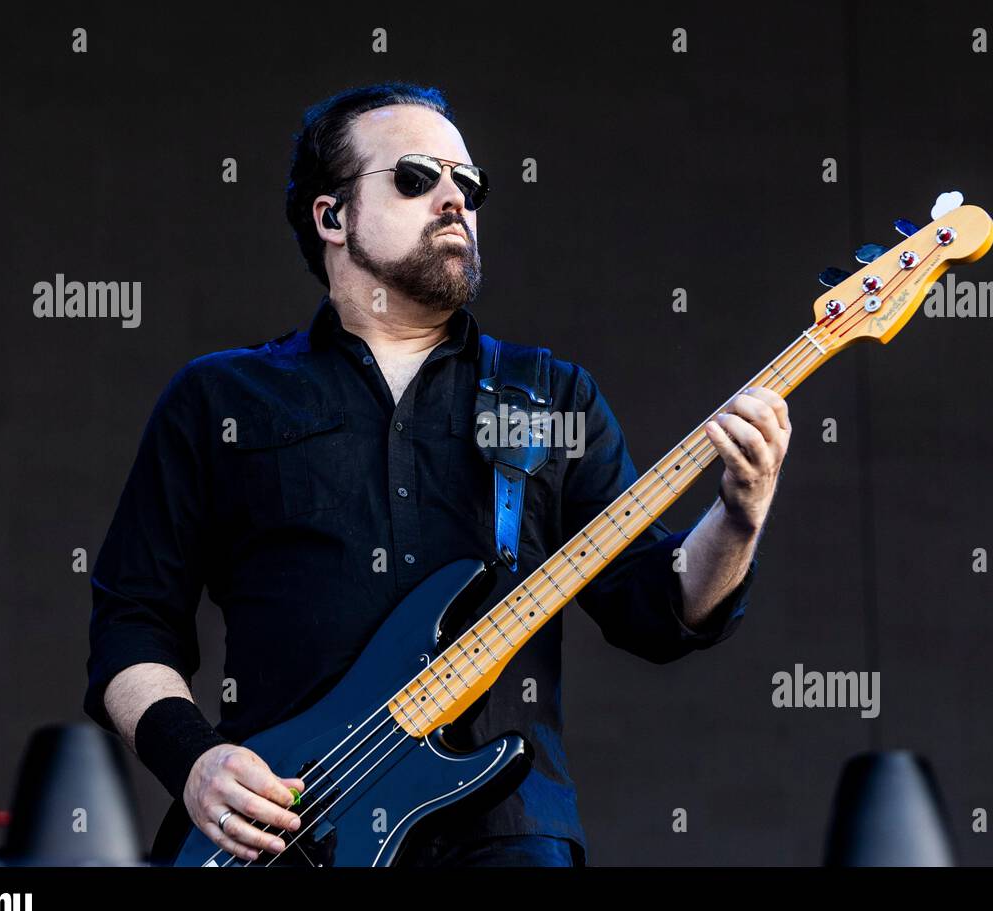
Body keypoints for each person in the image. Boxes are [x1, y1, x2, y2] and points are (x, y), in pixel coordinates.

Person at [83, 82, 790, 867]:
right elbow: (130, 626)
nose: (455, 197)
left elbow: (656, 609)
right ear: (332, 217)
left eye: (469, 182)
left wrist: (738, 516)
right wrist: (195, 763)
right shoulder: (218, 397)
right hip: (288, 834)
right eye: (417, 176)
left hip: (506, 839)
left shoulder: (550, 396)